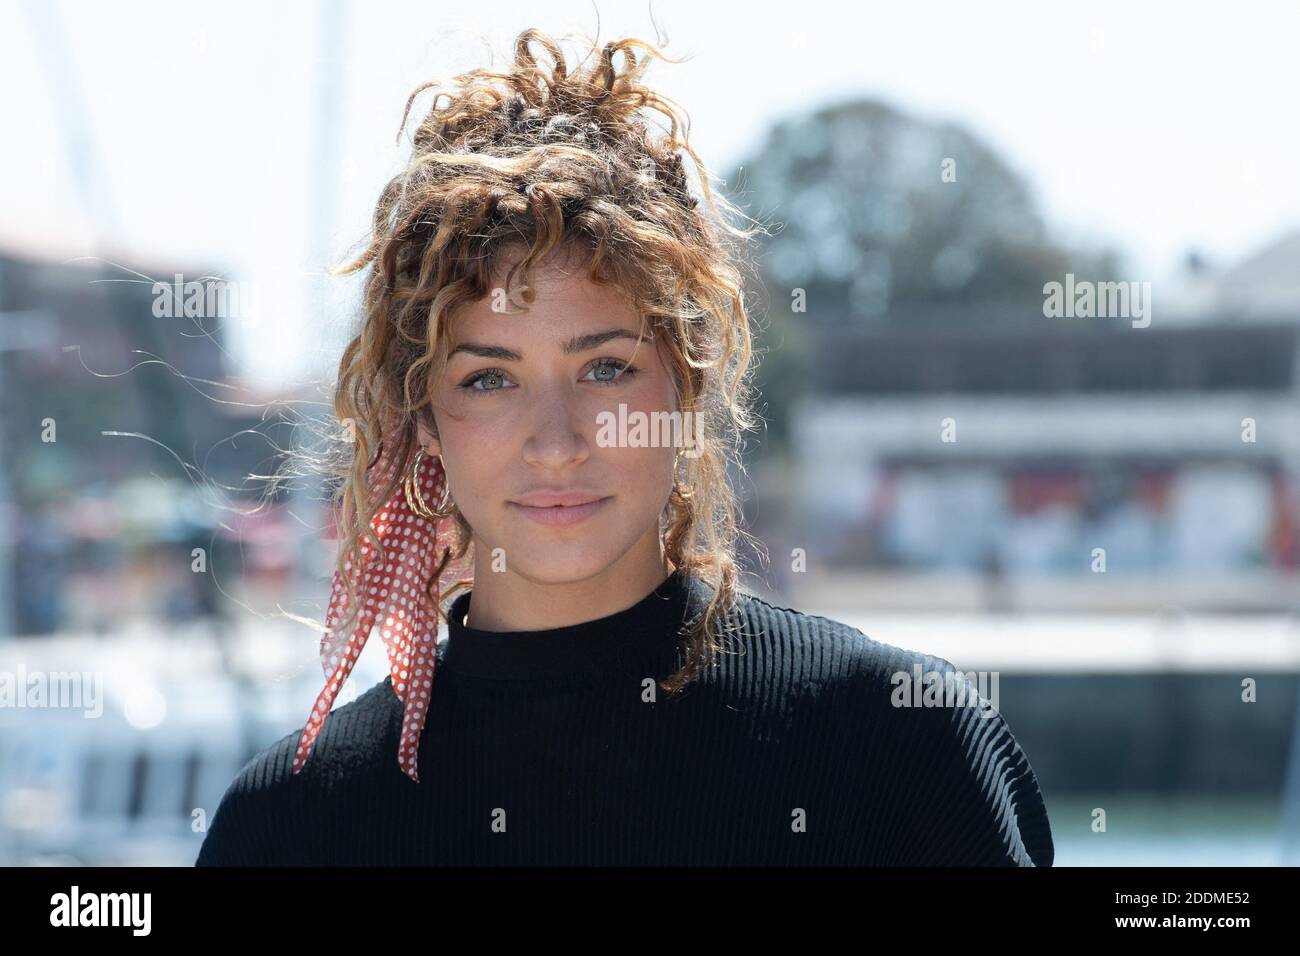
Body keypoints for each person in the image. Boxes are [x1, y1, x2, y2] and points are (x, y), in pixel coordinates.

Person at [195, 27, 1053, 867]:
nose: (557, 443)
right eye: (490, 379)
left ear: (685, 384)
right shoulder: (293, 827)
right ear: (423, 420)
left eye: (605, 368)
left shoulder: (897, 747)